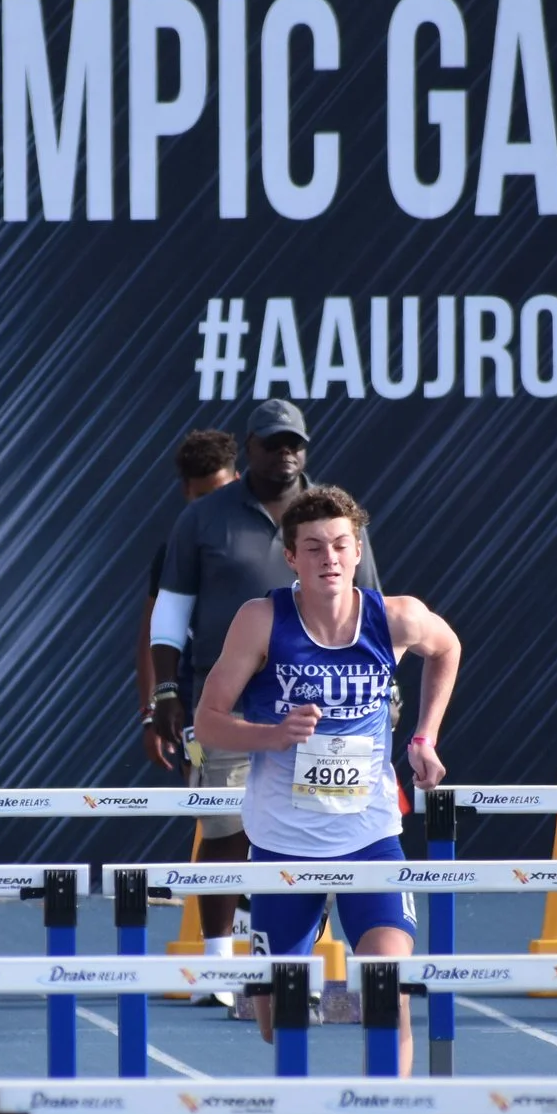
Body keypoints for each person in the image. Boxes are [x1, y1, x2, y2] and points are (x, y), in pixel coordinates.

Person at [194, 487, 456, 1114]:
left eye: (341, 545)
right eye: (314, 548)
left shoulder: (392, 615)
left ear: (356, 550)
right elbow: (209, 721)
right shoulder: (261, 621)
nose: (330, 558)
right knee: (279, 1016)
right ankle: (278, 988)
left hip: (369, 831)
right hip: (282, 842)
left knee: (389, 983)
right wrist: (272, 734)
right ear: (291, 558)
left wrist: (423, 737)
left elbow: (448, 647)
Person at [152, 400, 381, 956]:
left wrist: (390, 691)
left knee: (326, 827)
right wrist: (164, 692)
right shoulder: (203, 517)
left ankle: (304, 953)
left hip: (321, 703)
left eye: (294, 444)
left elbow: (371, 605)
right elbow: (170, 610)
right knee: (227, 829)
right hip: (230, 698)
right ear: (248, 447)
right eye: (273, 443)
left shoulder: (332, 516)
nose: (285, 454)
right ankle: (218, 962)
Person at [139, 429, 239, 772]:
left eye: (222, 493)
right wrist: (151, 711)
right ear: (186, 492)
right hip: (194, 711)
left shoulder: (273, 539)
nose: (212, 507)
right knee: (205, 800)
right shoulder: (174, 552)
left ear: (238, 480)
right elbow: (154, 633)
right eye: (202, 497)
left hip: (272, 703)